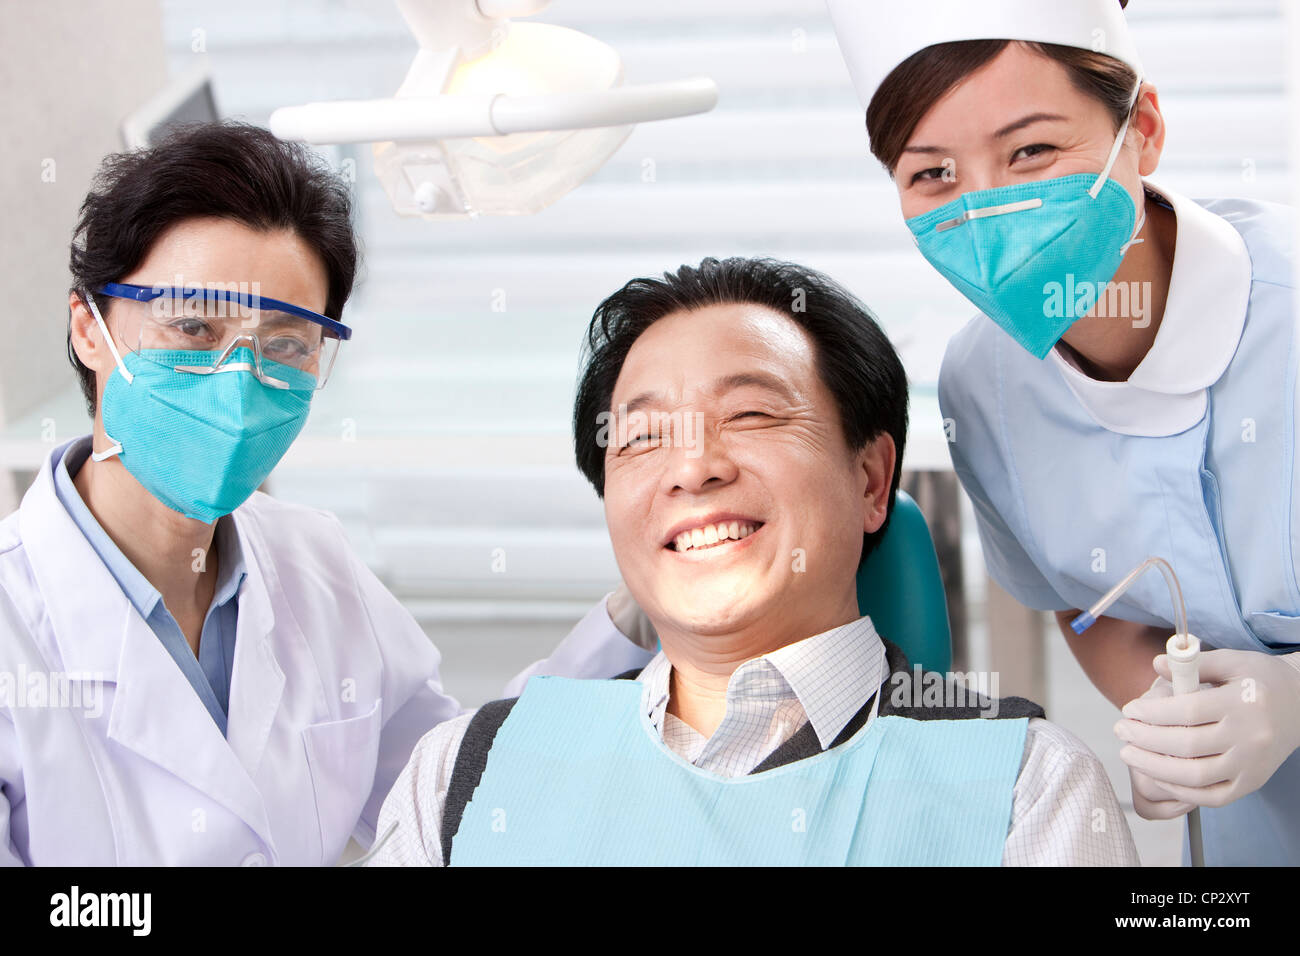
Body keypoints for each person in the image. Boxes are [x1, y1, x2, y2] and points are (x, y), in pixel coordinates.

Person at [0, 121, 651, 867]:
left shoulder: (311, 560)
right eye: (191, 327)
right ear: (89, 328)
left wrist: (633, 618)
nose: (237, 380)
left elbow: (456, 796)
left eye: (282, 345)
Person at [368, 256, 1139, 866]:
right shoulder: (467, 770)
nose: (692, 467)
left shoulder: (1029, 789)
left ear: (870, 480)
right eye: (641, 438)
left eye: (751, 414)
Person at [825, 0, 1300, 864]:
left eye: (1033, 151)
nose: (989, 209)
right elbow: (1093, 605)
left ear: (1143, 129)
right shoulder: (985, 390)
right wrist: (1166, 717)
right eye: (933, 174)